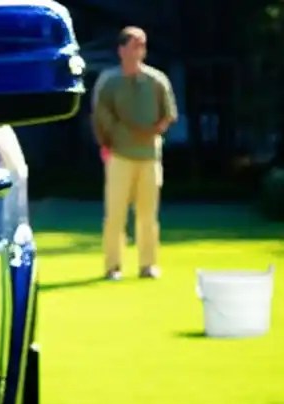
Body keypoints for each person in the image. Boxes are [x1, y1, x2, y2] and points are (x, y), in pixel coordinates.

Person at [91, 27, 178, 280]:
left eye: (142, 45)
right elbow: (100, 115)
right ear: (121, 49)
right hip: (119, 156)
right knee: (115, 215)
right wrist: (106, 143)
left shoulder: (156, 80)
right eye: (134, 44)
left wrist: (152, 132)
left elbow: (169, 113)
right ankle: (112, 266)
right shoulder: (109, 80)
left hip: (149, 156)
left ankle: (148, 264)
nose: (139, 49)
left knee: (148, 215)